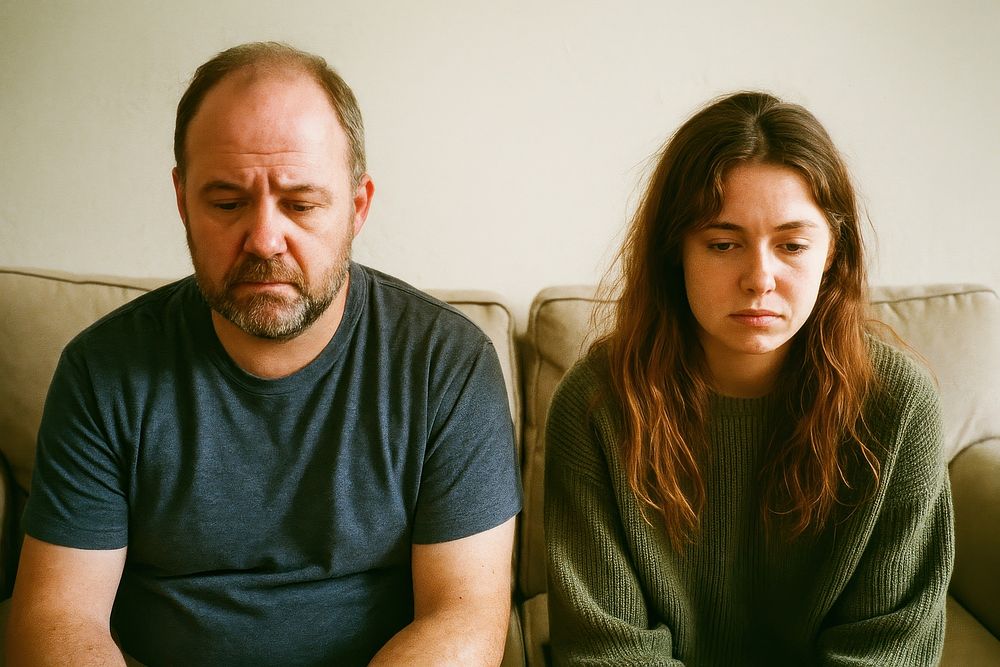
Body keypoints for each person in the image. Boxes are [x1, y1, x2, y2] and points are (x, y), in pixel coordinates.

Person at [6, 42, 521, 666]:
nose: (264, 239)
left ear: (357, 206)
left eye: (301, 204)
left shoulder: (447, 364)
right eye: (227, 203)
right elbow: (57, 617)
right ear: (182, 201)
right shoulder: (102, 369)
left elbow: (464, 617)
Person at [544, 91, 954, 665]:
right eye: (723, 244)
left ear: (832, 253)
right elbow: (604, 650)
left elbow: (891, 649)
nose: (759, 278)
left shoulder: (899, 403)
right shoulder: (597, 403)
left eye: (792, 245)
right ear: (675, 251)